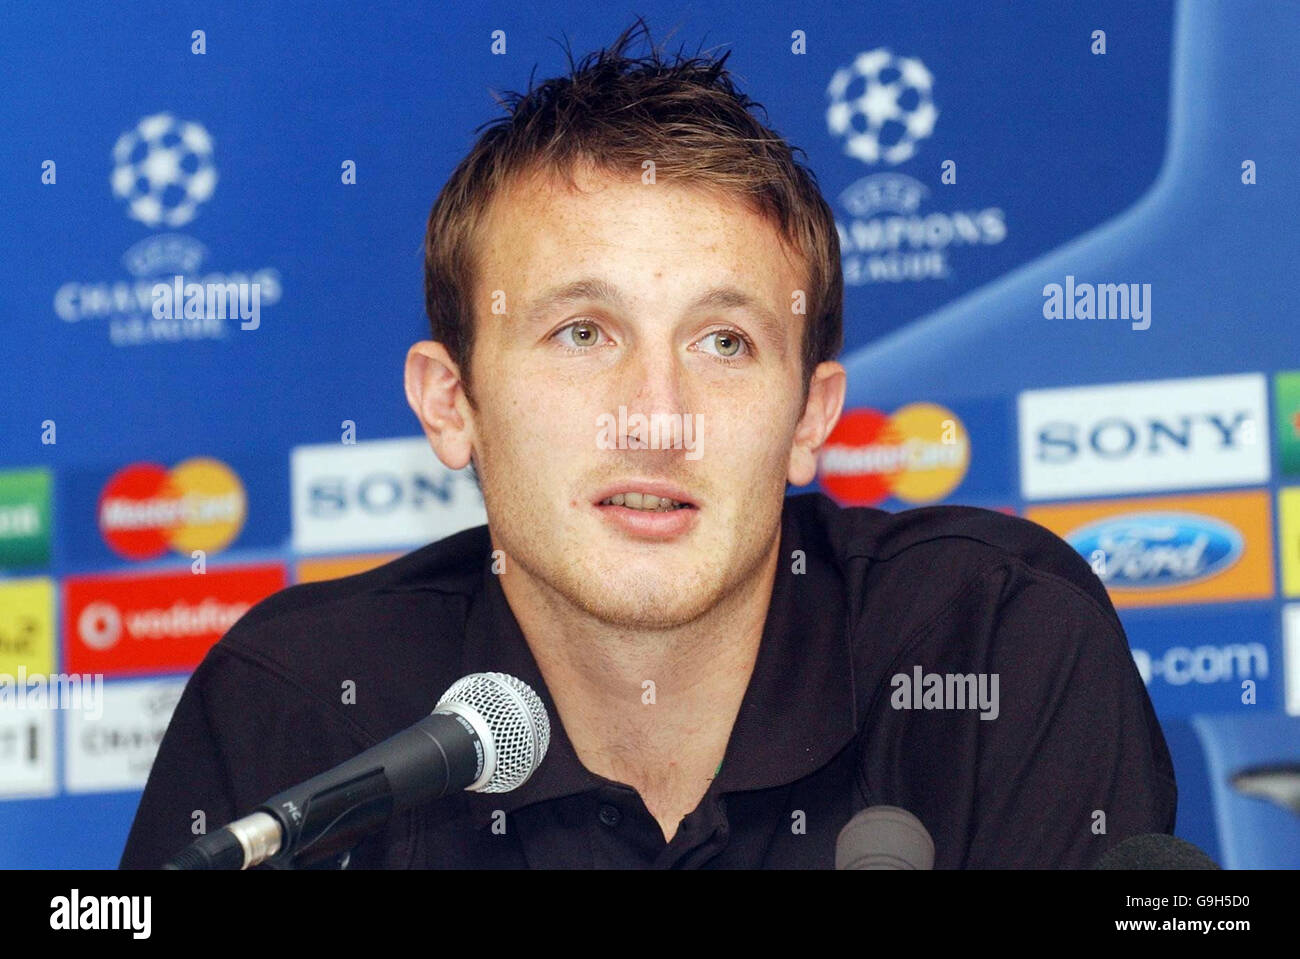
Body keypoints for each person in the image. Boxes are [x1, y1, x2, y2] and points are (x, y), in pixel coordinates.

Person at [120, 18, 1175, 869]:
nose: (655, 416)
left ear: (810, 416)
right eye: (583, 333)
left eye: (724, 341)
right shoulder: (300, 709)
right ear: (452, 403)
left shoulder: (990, 643)